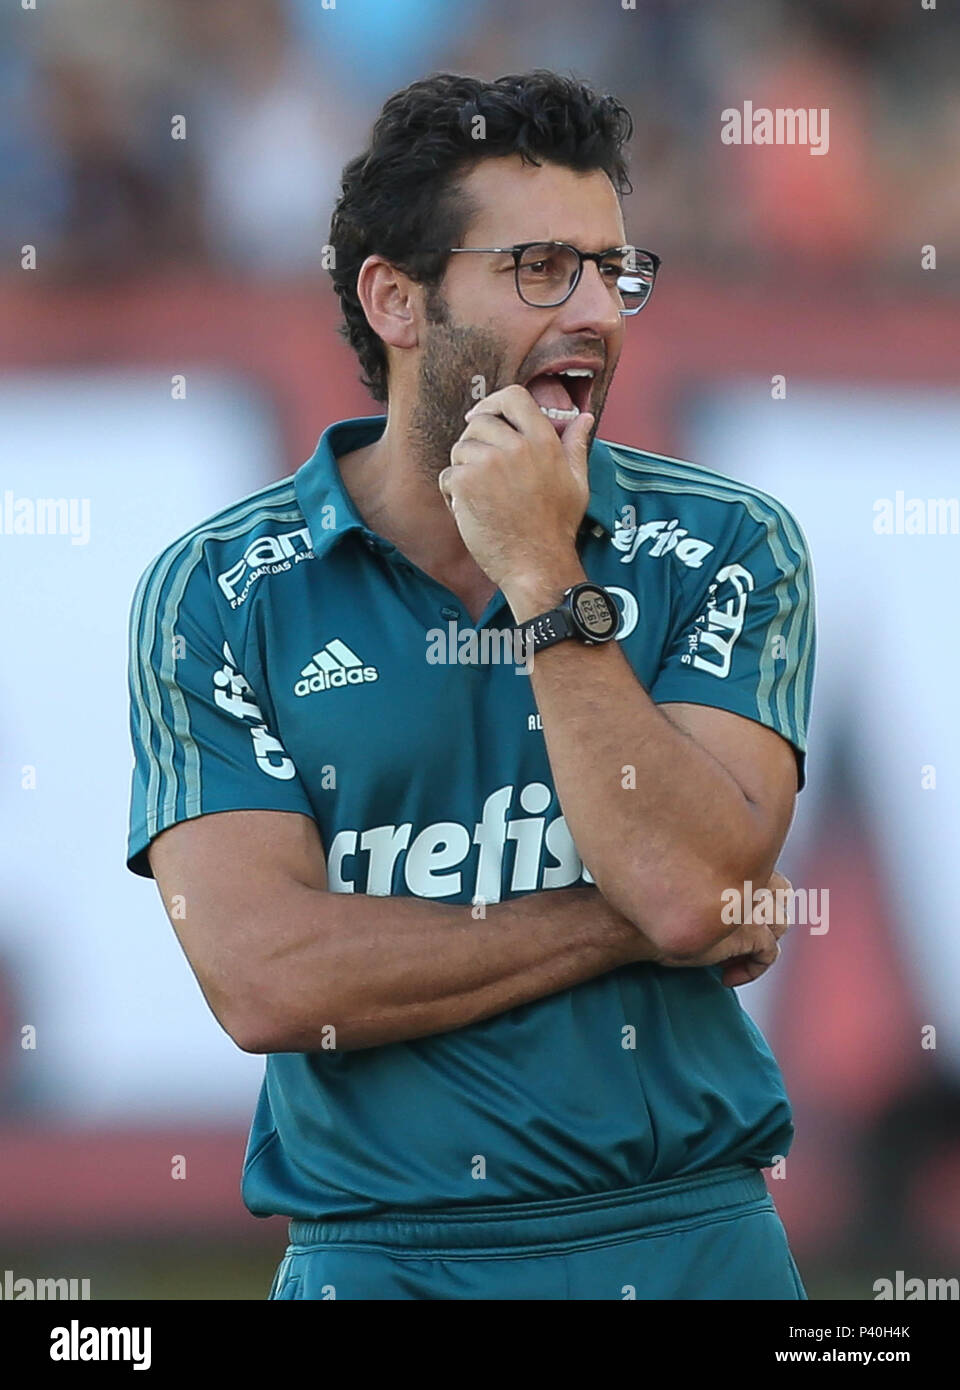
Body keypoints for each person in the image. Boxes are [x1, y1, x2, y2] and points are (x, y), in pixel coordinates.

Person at [126, 71, 815, 1300]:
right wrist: (639, 923)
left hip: (695, 1242)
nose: (598, 311)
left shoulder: (730, 544)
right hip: (378, 1259)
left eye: (616, 270)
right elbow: (271, 977)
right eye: (543, 267)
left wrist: (545, 571)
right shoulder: (220, 589)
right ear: (397, 298)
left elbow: (683, 885)